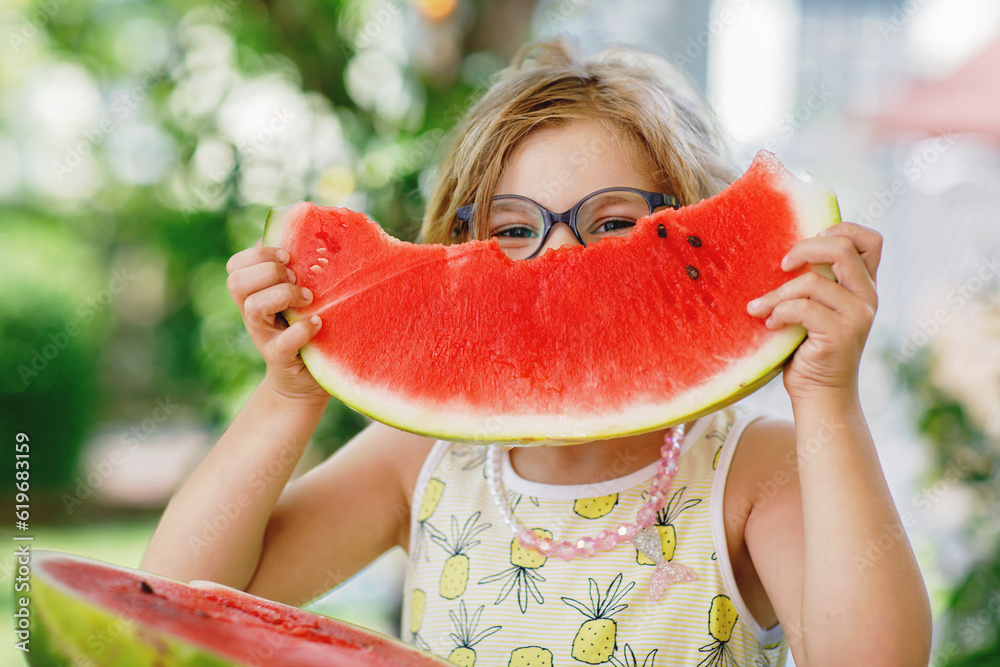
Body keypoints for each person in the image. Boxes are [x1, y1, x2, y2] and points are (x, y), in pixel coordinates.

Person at [142, 37, 932, 665]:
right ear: (456, 253)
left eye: (617, 225)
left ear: (695, 241)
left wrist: (828, 401)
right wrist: (290, 395)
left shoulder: (750, 471)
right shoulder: (418, 463)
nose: (557, 262)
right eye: (513, 229)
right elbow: (175, 598)